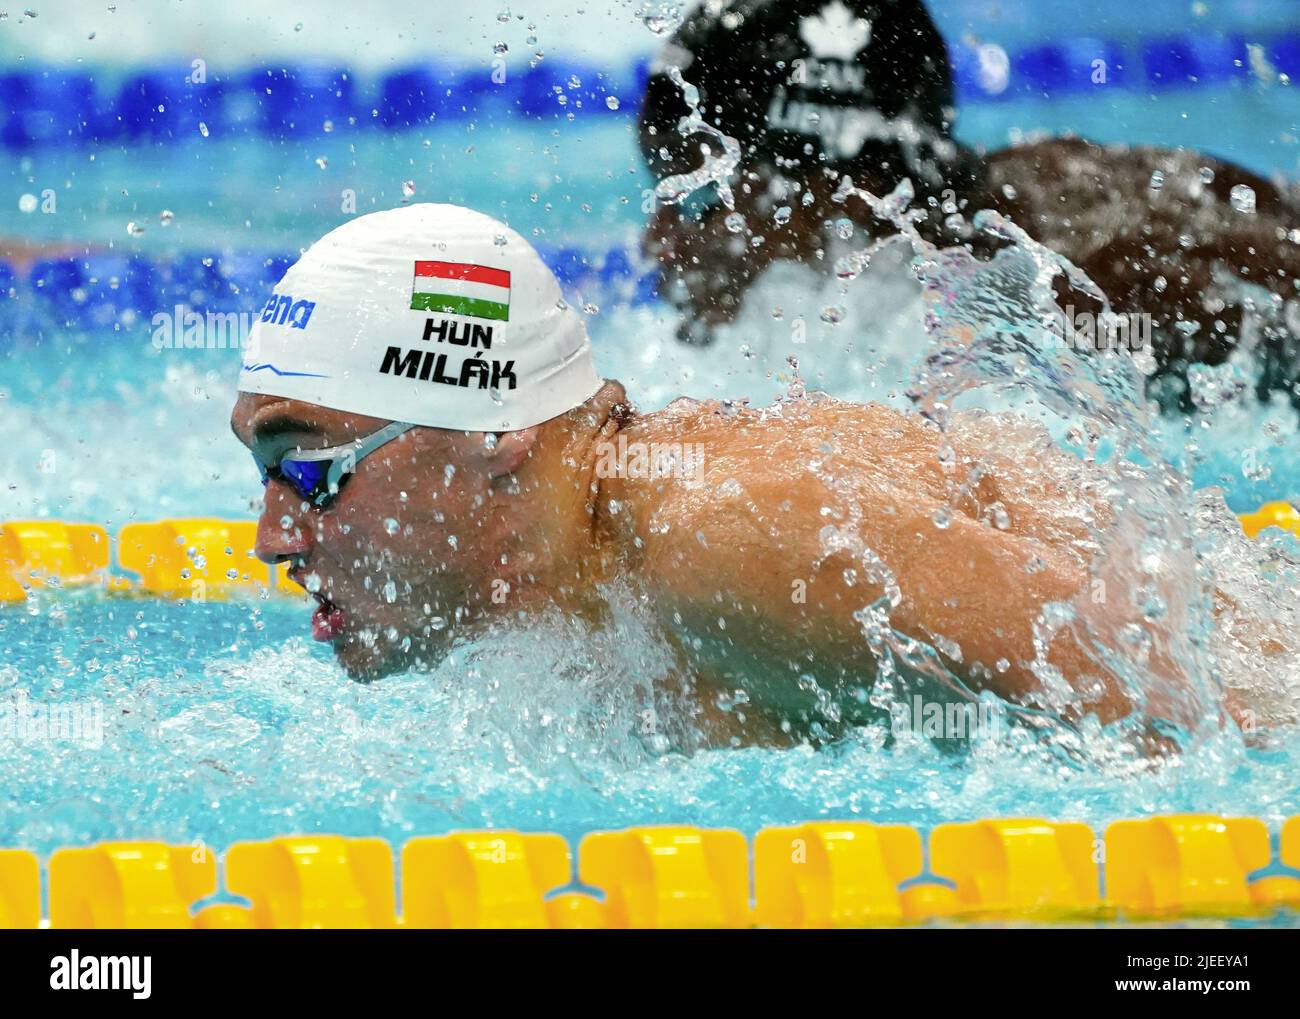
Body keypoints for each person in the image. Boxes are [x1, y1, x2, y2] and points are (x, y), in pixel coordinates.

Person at [232, 203, 1258, 748]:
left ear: (493, 427)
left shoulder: (727, 535)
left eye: (308, 471)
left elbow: (1198, 719)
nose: (272, 536)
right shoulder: (579, 590)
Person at [638, 0, 1300, 411]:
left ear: (844, 198)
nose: (658, 242)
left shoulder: (1071, 279)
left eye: (693, 197)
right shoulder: (884, 309)